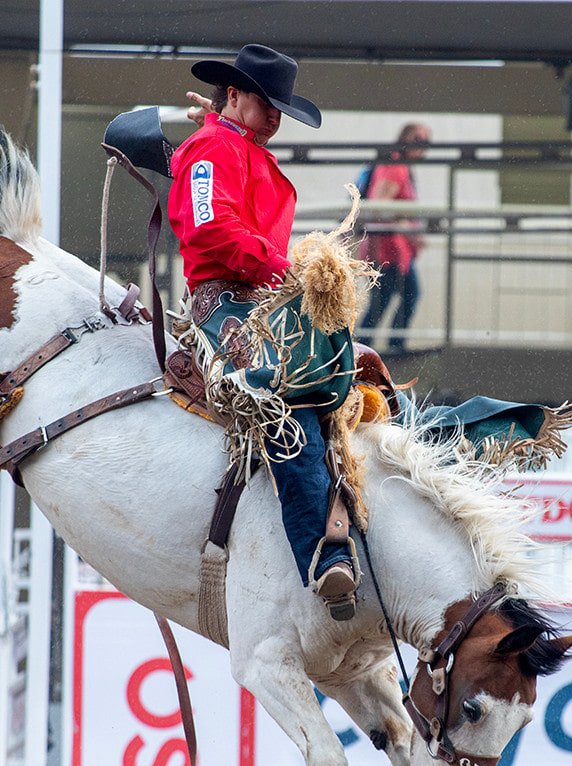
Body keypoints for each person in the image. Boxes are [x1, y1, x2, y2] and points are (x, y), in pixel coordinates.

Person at [168, 44, 360, 619]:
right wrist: (288, 270)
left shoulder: (227, 144)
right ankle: (322, 555)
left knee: (351, 371)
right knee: (279, 391)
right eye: (266, 103)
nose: (276, 117)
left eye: (281, 108)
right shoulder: (210, 148)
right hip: (223, 301)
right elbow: (208, 229)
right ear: (236, 95)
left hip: (261, 300)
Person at [357, 122, 431, 351]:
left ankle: (369, 347)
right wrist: (409, 230)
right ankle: (376, 347)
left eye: (426, 142)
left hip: (395, 251)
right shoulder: (395, 165)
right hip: (387, 250)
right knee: (395, 297)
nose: (423, 147)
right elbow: (380, 206)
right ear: (405, 139)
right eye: (418, 140)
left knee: (388, 298)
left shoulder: (400, 165)